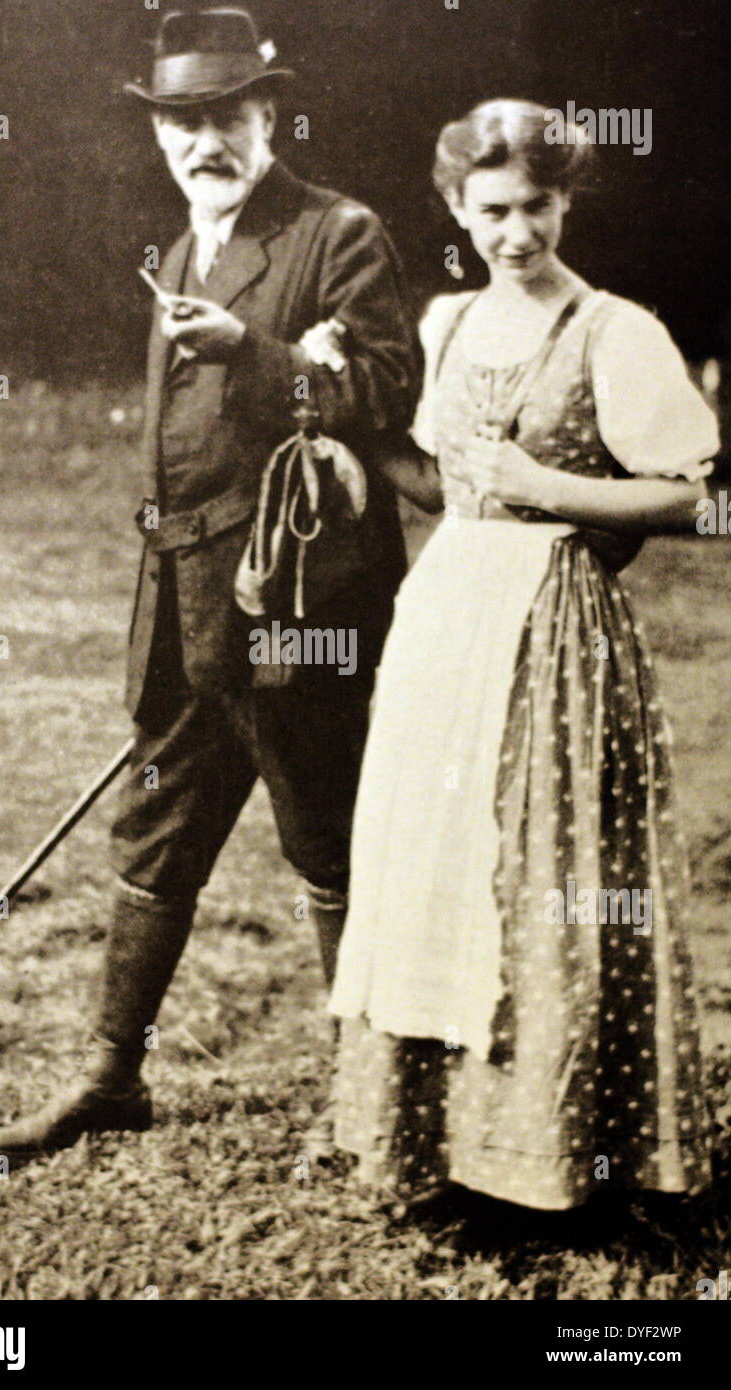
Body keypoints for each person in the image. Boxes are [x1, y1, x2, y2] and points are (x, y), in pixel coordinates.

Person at [0, 8, 422, 1165]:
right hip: (180, 605)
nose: (203, 140)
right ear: (160, 134)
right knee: (158, 826)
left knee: (323, 834)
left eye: (226, 116)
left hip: (296, 606)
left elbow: (385, 389)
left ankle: (369, 1103)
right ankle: (111, 1077)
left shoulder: (337, 233)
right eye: (181, 121)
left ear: (269, 115)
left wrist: (257, 356)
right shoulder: (180, 249)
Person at [328, 99, 720, 1209]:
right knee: (431, 863)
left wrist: (547, 489)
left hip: (555, 626)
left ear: (563, 202)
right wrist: (337, 426)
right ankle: (432, 1147)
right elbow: (444, 486)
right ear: (455, 207)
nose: (516, 234)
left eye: (536, 208)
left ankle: (553, 1155)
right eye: (491, 210)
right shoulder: (445, 323)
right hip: (446, 614)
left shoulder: (615, 330)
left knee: (541, 870)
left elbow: (691, 499)